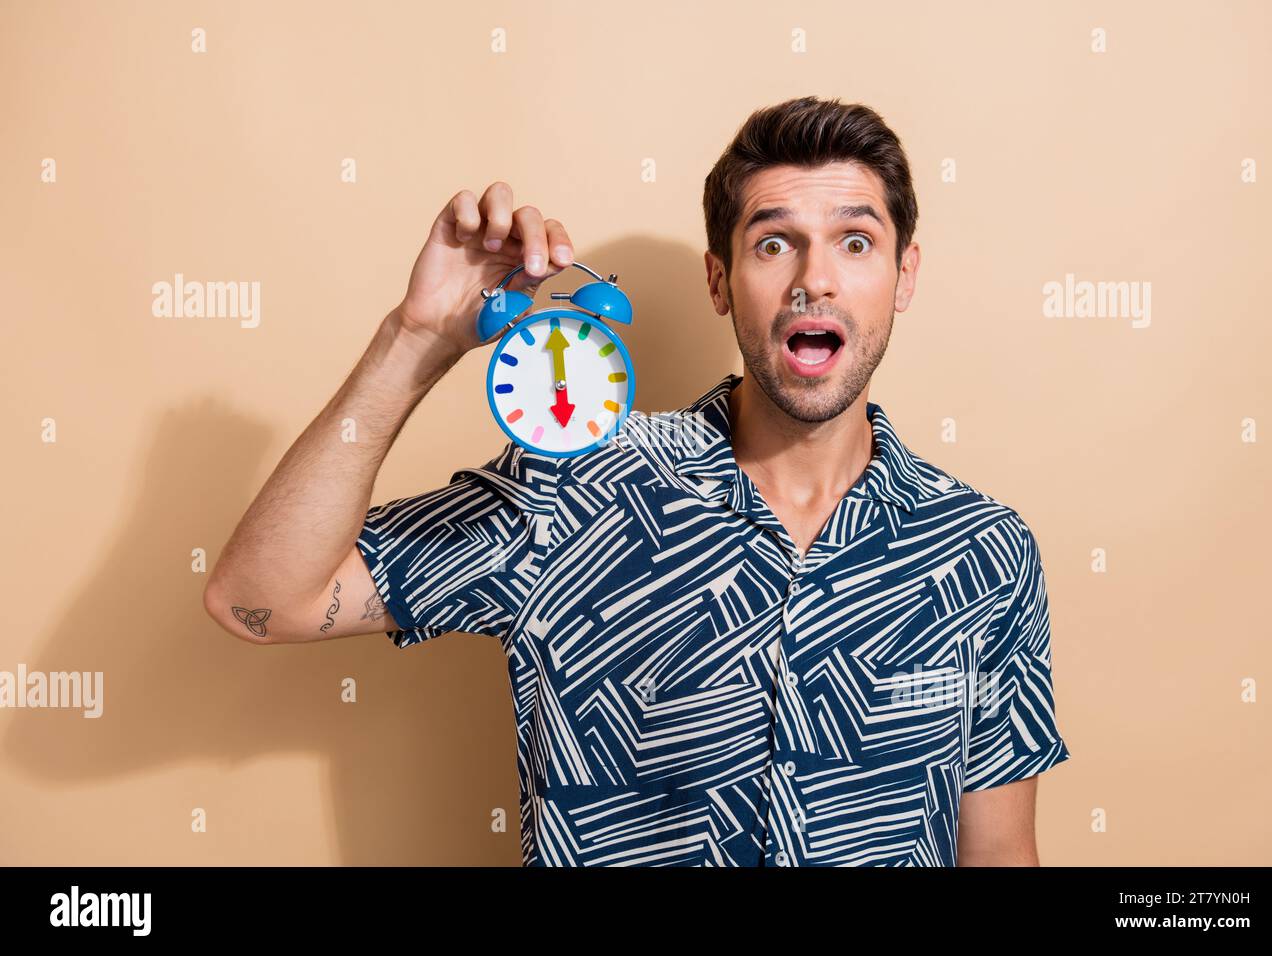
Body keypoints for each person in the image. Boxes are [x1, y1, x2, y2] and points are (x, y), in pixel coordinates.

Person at [204, 95, 1071, 866]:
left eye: (855, 241)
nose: (815, 280)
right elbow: (261, 599)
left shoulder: (985, 553)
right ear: (719, 281)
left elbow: (999, 852)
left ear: (902, 275)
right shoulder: (575, 489)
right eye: (774, 243)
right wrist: (416, 336)